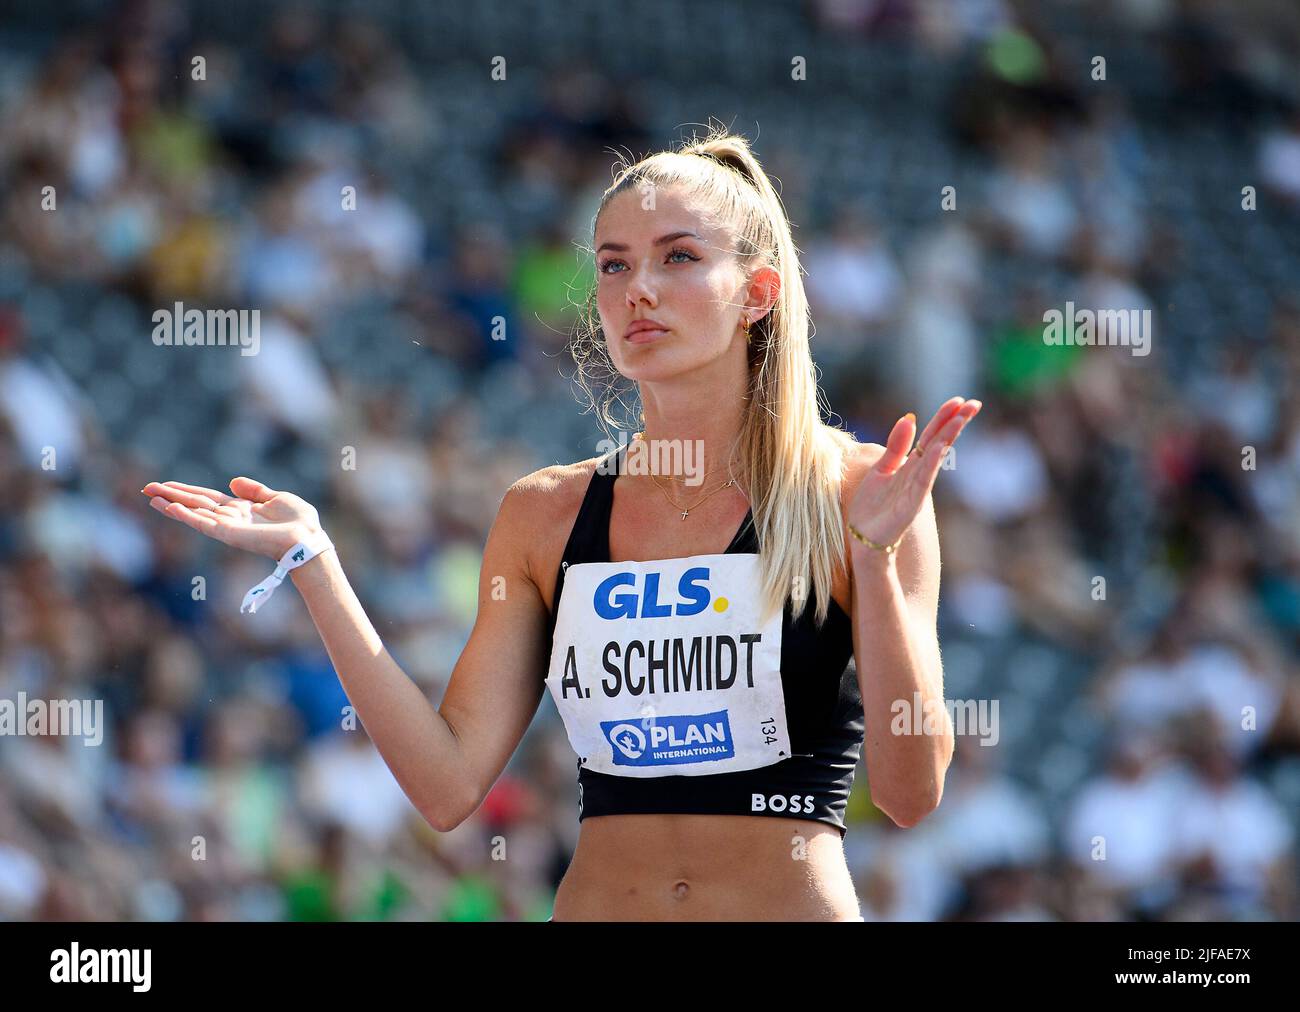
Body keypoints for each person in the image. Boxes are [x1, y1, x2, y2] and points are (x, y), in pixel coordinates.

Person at [141, 129, 982, 921]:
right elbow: (446, 787)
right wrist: (313, 561)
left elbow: (911, 795)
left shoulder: (861, 491)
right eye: (613, 266)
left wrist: (873, 559)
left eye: (677, 257)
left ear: (758, 293)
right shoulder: (543, 512)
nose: (636, 289)